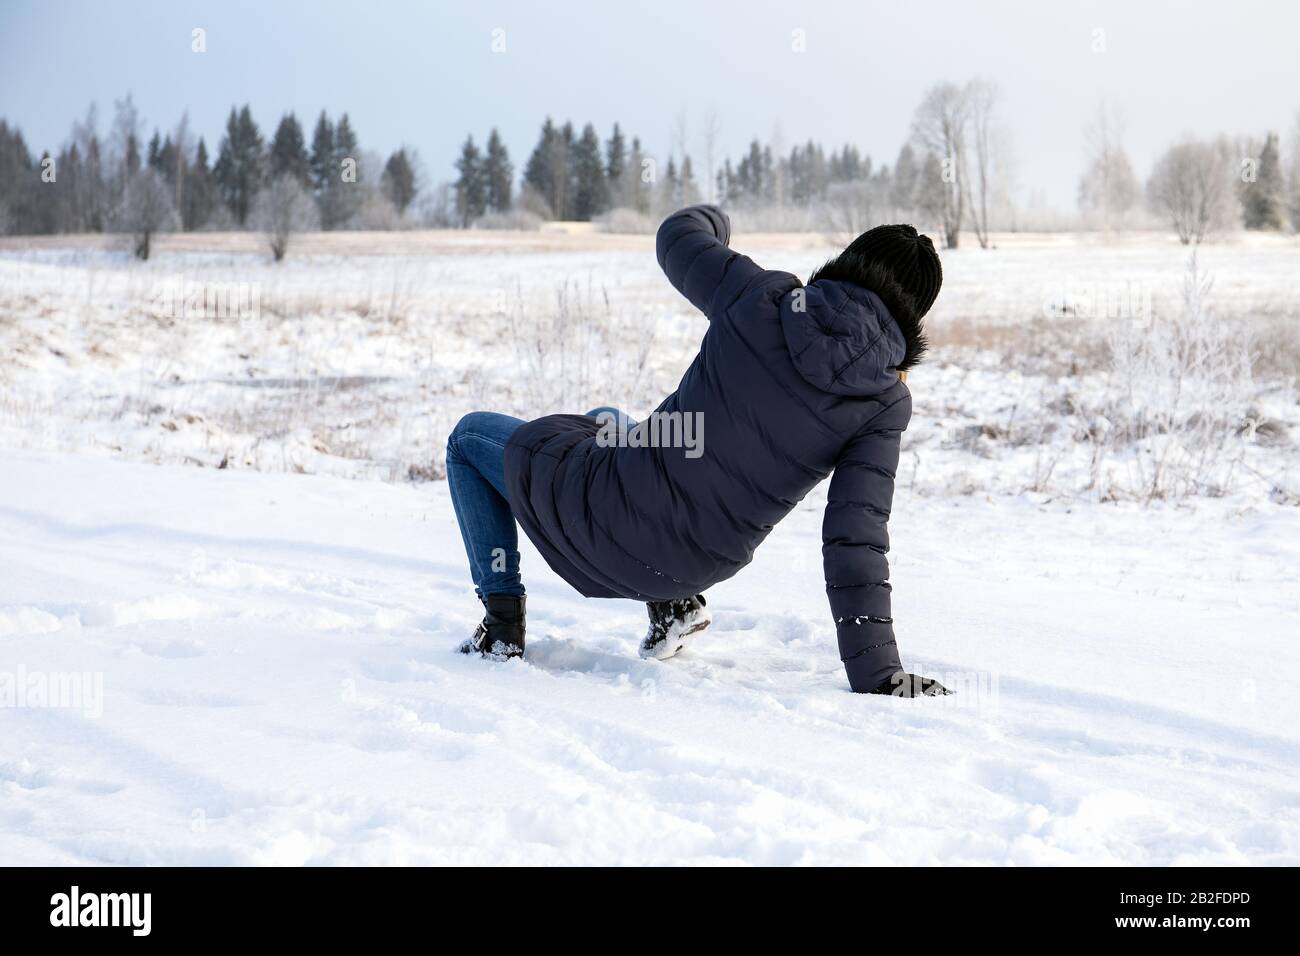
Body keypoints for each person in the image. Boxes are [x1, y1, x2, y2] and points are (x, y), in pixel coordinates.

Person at [445, 205, 950, 696]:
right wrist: (878, 673)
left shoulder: (763, 296)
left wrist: (720, 218)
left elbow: (676, 237)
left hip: (605, 525)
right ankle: (673, 605)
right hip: (697, 565)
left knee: (468, 440)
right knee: (610, 421)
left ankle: (502, 622)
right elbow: (855, 538)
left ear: (849, 259)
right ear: (913, 318)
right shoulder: (883, 403)